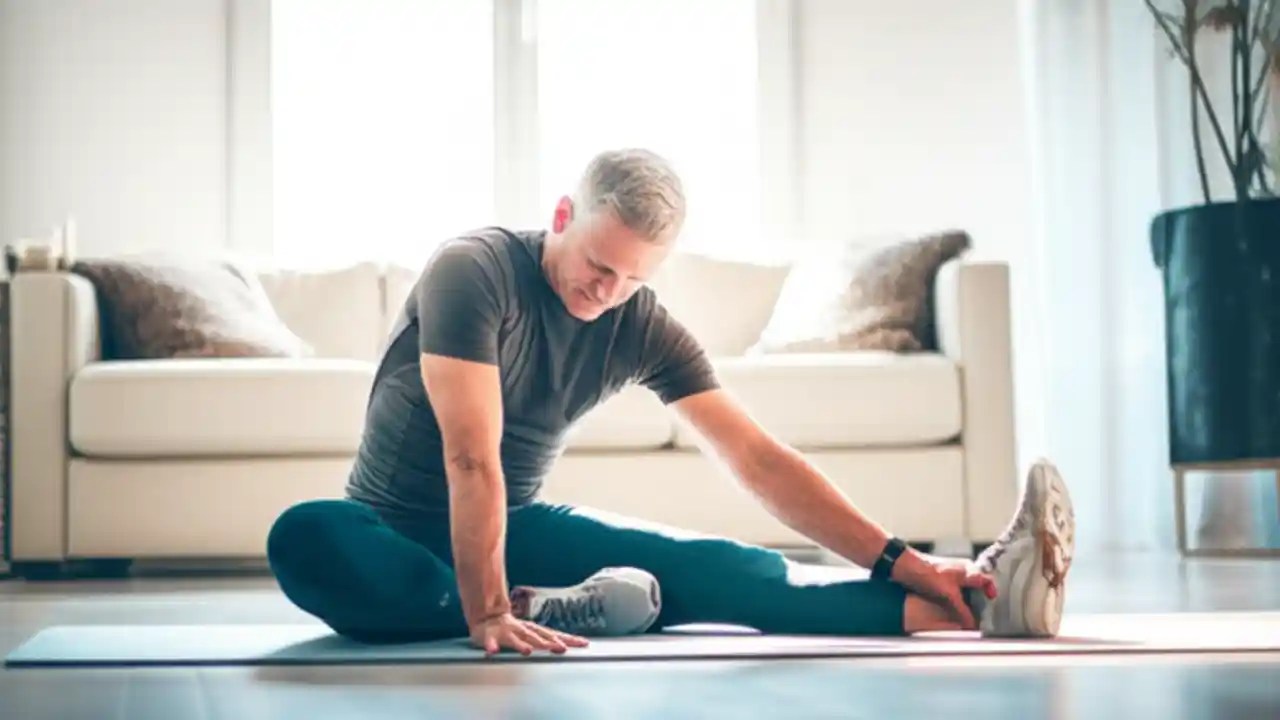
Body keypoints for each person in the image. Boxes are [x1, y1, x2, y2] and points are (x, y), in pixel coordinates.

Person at [265, 149, 1077, 657]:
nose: (606, 291)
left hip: (515, 527)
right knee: (304, 535)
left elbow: (757, 460)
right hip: (390, 534)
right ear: (562, 217)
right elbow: (471, 457)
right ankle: (515, 607)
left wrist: (904, 561)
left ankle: (981, 607)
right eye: (597, 264)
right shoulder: (473, 271)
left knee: (717, 569)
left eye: (631, 279)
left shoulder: (639, 324)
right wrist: (485, 615)